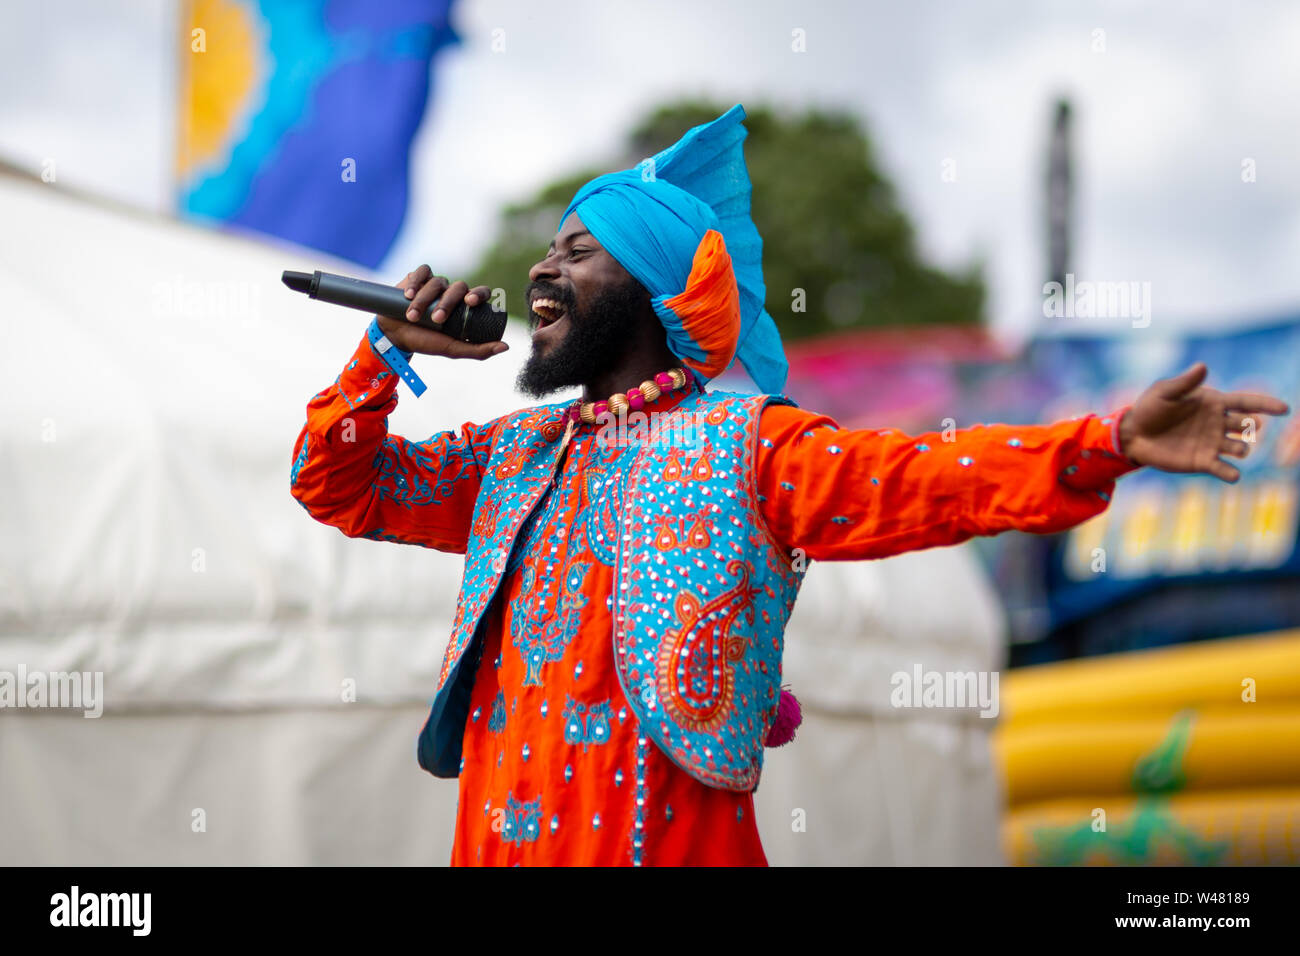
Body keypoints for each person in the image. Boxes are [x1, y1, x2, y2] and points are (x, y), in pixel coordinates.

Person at [289, 105, 1289, 866]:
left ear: (655, 286)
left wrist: (1105, 440)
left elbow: (927, 478)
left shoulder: (747, 447)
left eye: (578, 251)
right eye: (548, 248)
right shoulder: (508, 455)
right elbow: (336, 483)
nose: (541, 269)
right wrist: (382, 352)